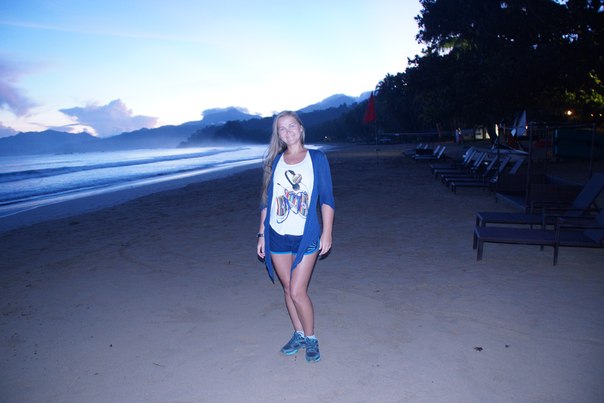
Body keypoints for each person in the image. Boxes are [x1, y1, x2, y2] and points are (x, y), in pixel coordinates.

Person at [256, 111, 335, 363]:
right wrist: (261, 234)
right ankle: (298, 333)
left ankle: (311, 338)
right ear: (278, 134)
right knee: (288, 288)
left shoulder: (316, 158)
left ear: (300, 128)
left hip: (306, 235)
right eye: (282, 128)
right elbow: (267, 201)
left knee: (298, 291)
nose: (287, 131)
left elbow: (327, 198)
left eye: (292, 126)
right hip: (276, 235)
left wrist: (327, 232)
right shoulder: (275, 161)